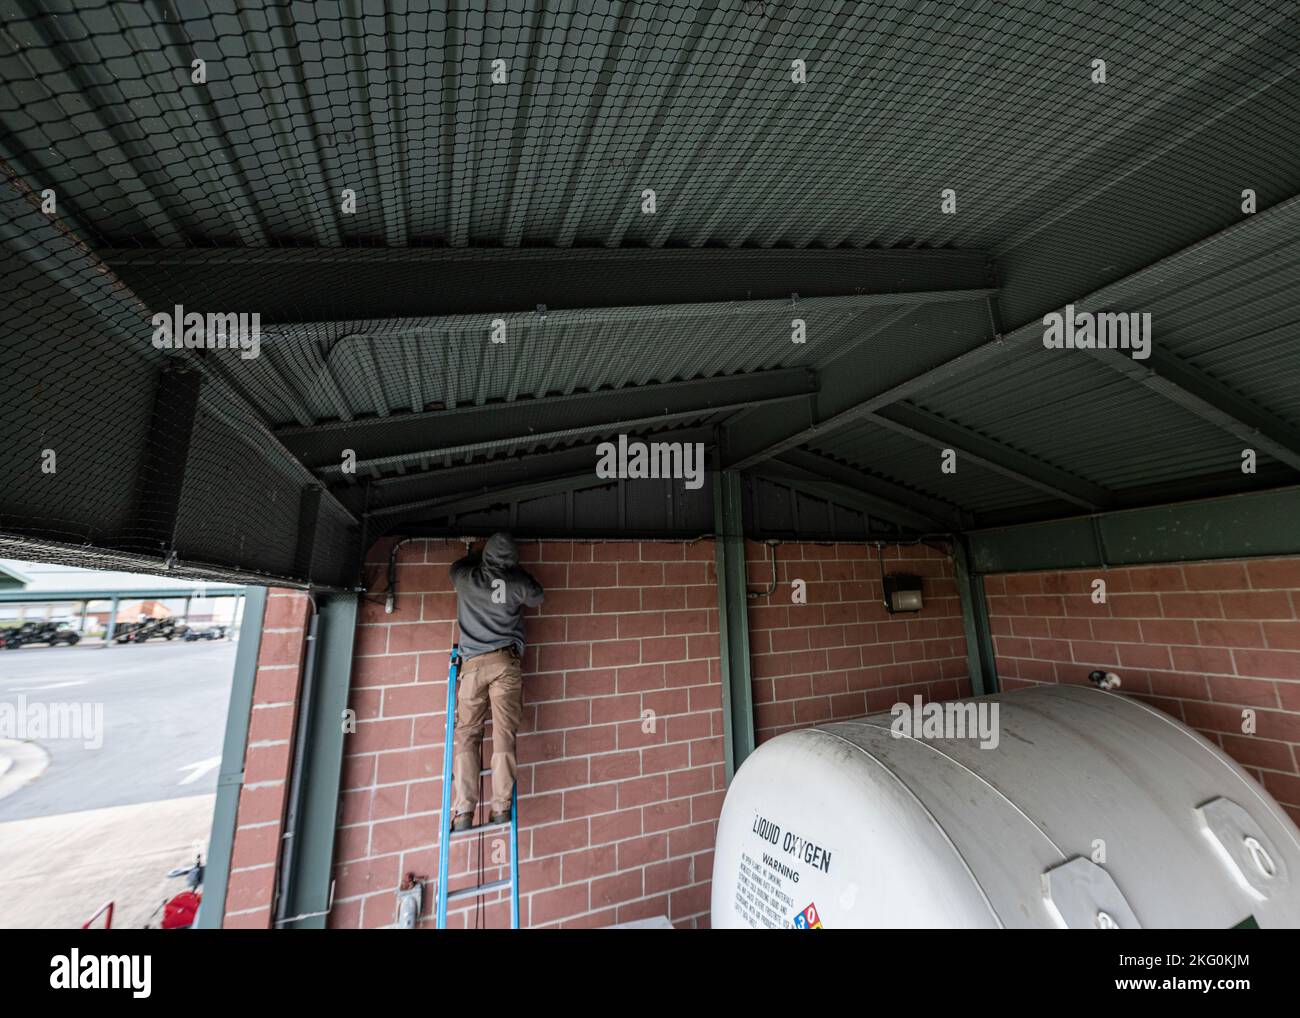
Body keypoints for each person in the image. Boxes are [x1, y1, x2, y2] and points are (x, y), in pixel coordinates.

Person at [449, 533, 544, 831]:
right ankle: (501, 808)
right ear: (512, 560)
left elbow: (455, 568)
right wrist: (515, 573)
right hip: (505, 664)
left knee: (467, 734)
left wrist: (473, 556)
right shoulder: (516, 584)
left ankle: (464, 811)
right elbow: (538, 595)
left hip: (472, 667)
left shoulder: (466, 578)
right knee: (504, 733)